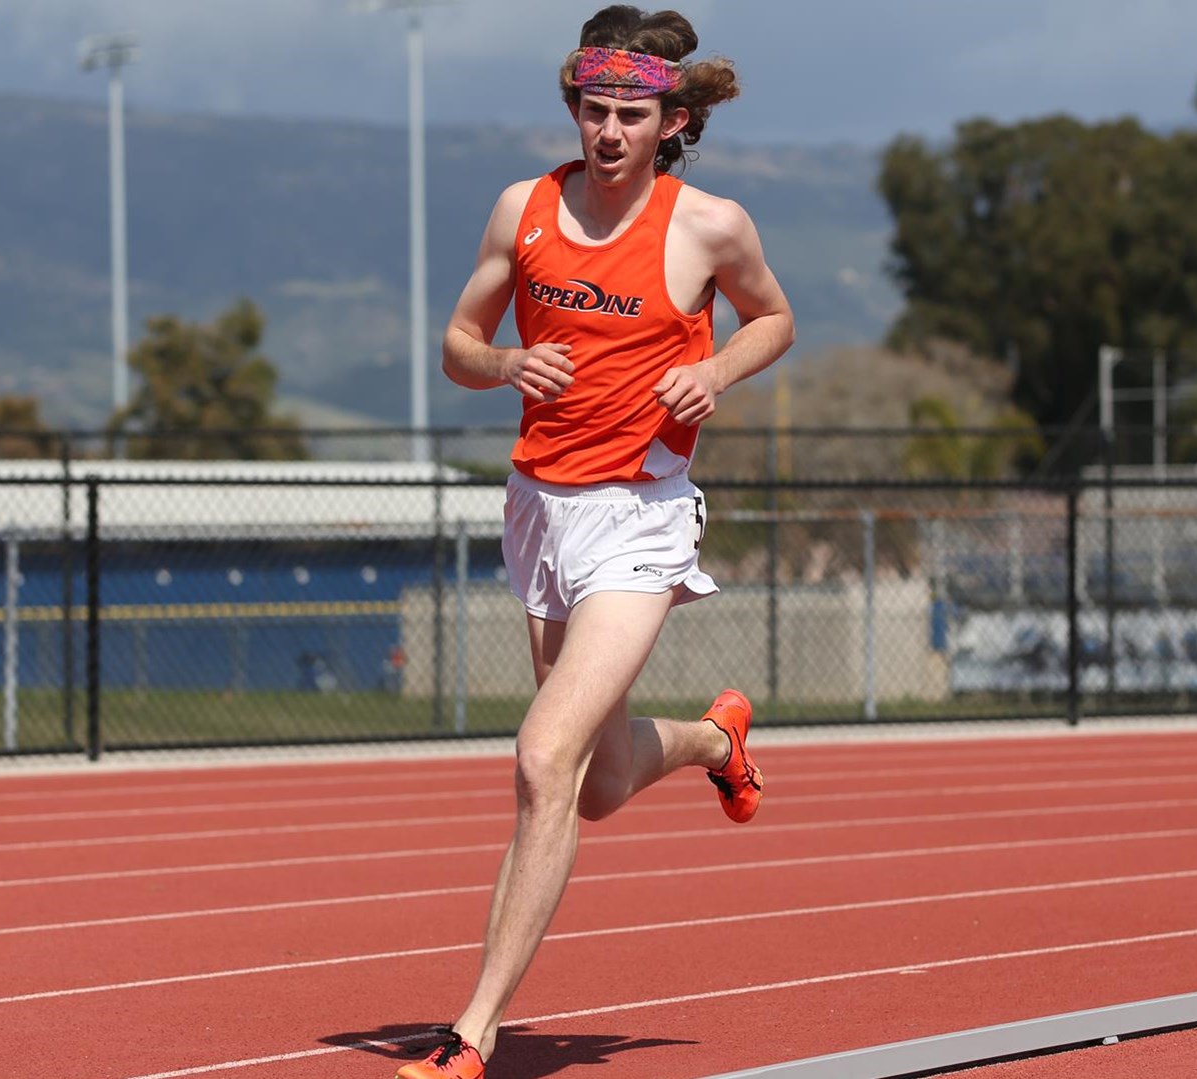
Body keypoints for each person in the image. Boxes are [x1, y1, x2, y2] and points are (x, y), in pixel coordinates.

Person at [396, 7, 794, 1077]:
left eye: (631, 113)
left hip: (640, 515)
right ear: (573, 107)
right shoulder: (522, 208)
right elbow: (458, 343)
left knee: (541, 759)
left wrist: (715, 370)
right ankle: (717, 739)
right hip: (539, 509)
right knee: (600, 783)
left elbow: (773, 318)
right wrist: (502, 367)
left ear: (671, 120)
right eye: (593, 109)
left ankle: (469, 1031)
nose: (609, 130)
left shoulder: (708, 225)